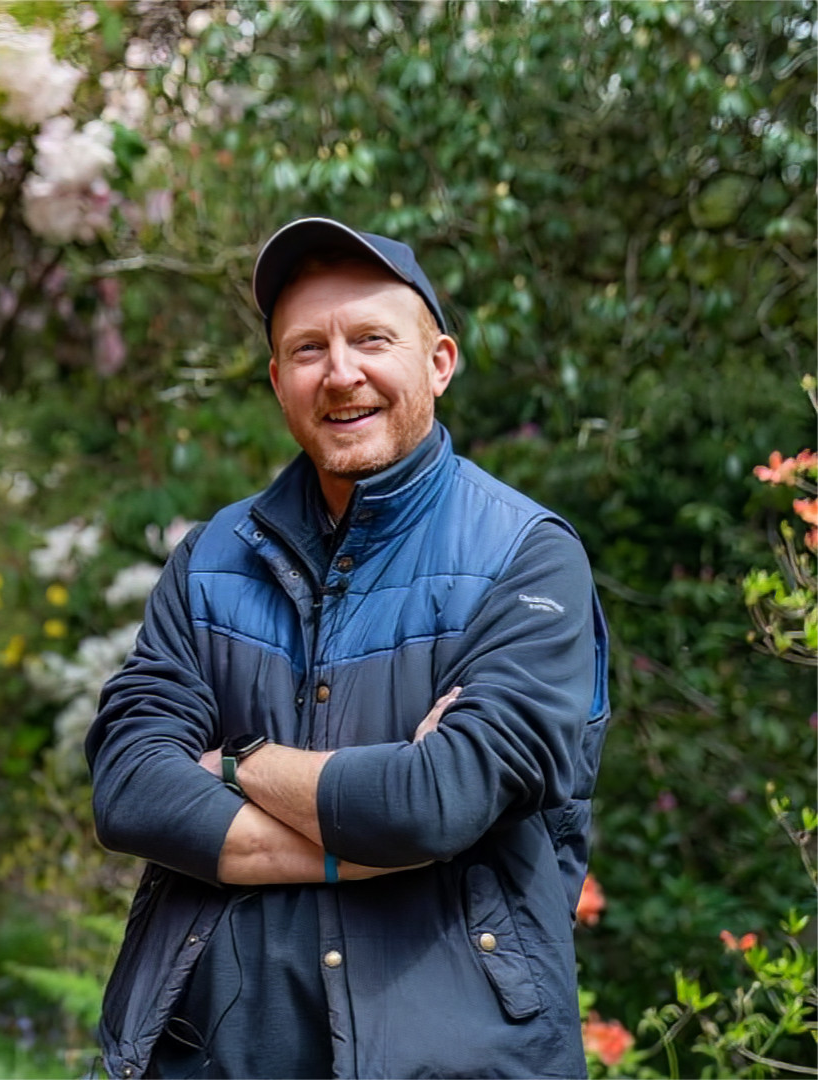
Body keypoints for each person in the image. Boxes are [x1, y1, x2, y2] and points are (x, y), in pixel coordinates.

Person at [85, 217, 610, 1079]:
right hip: (209, 1054)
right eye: (306, 348)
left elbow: (435, 801)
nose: (340, 373)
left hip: (455, 1056)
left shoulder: (526, 556)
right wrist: (372, 843)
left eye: (371, 338)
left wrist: (235, 762)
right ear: (276, 379)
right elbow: (129, 787)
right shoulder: (211, 558)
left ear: (438, 362)